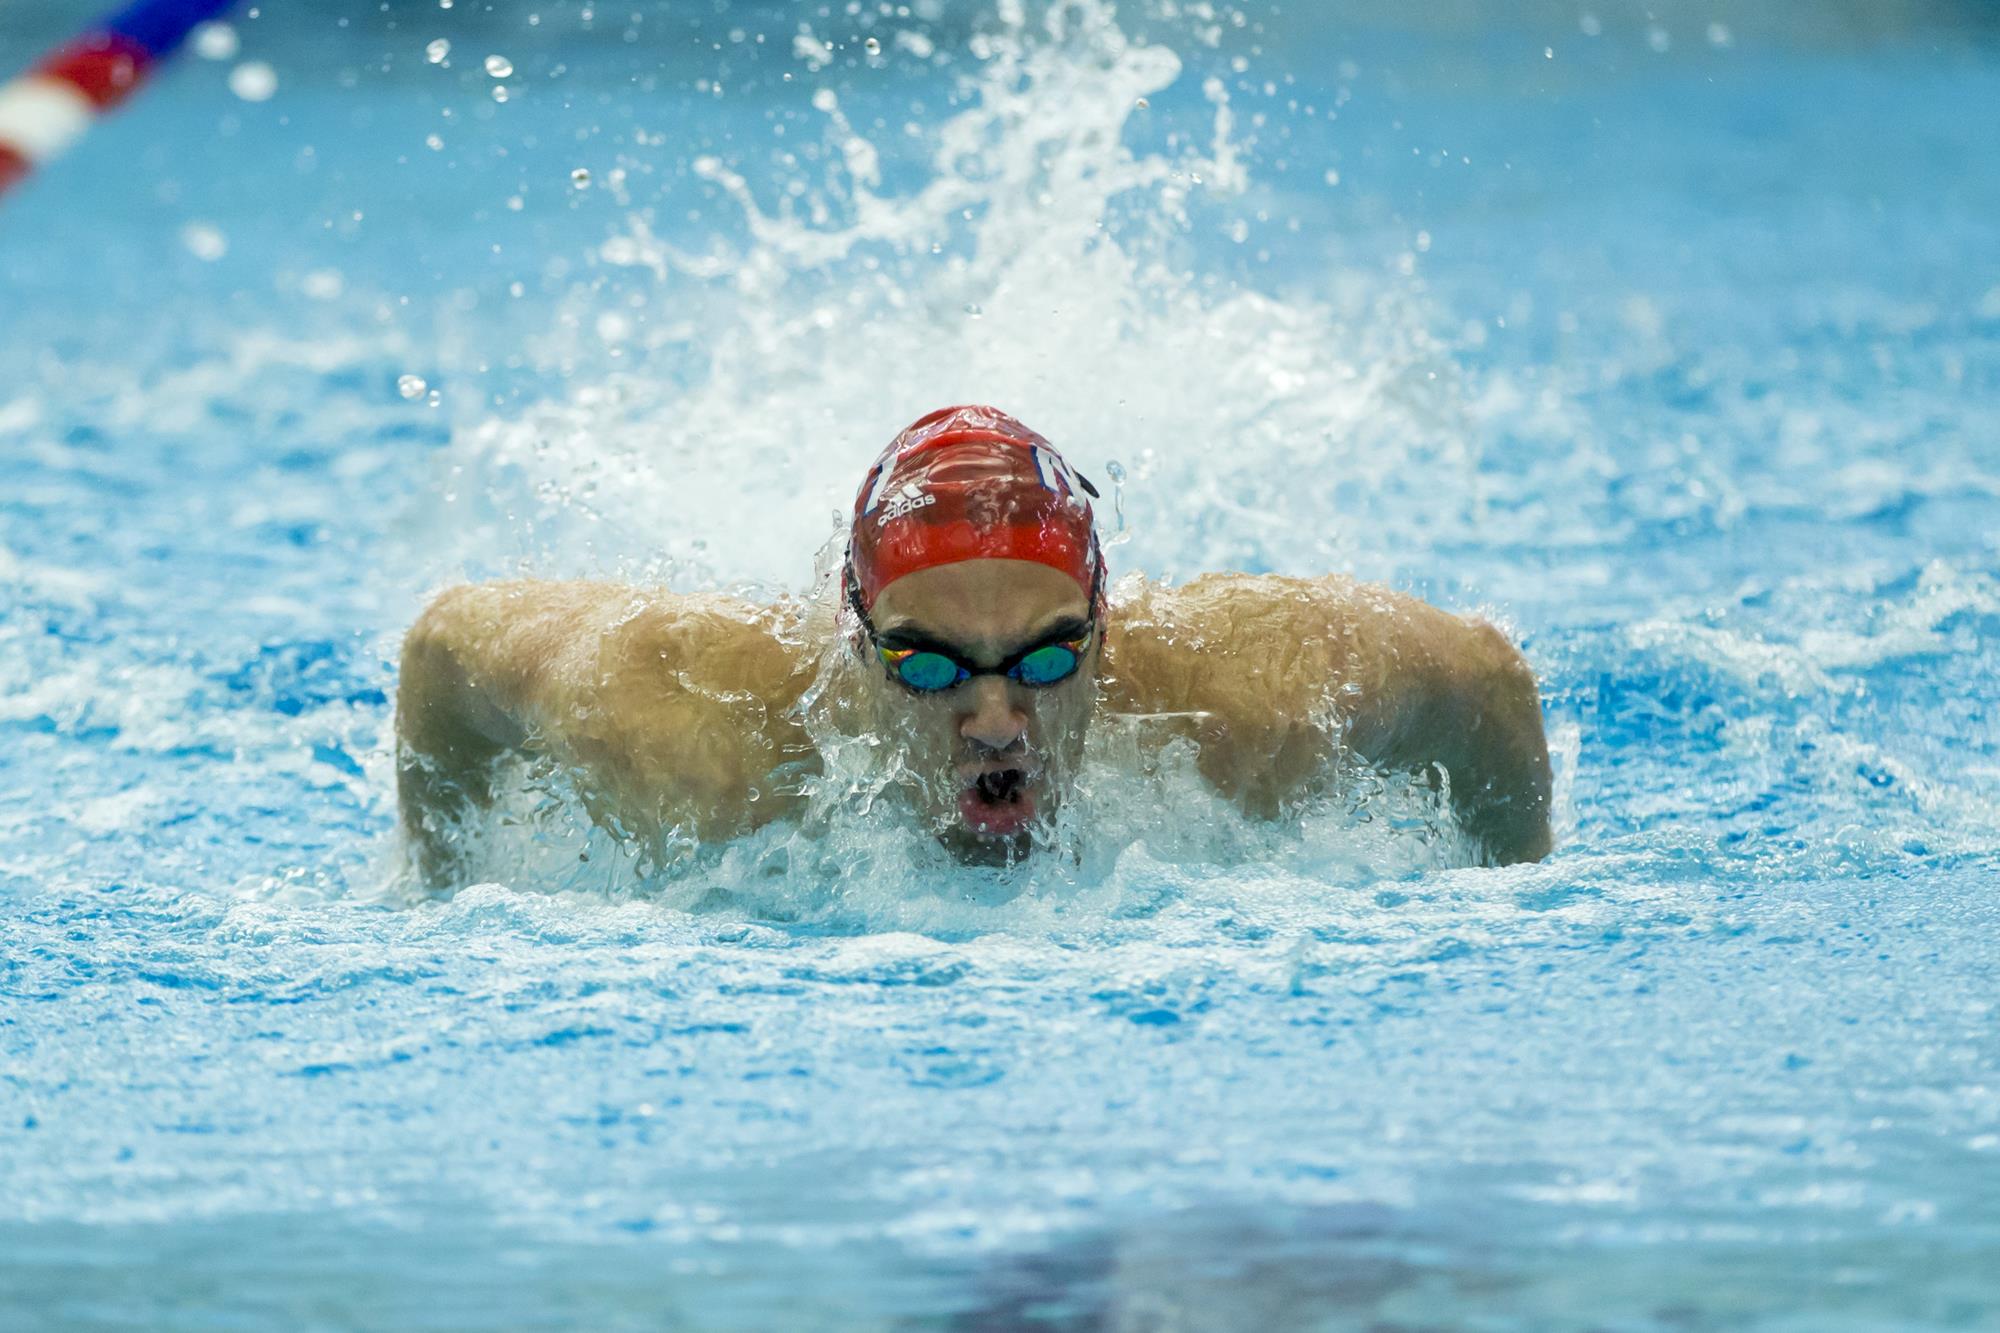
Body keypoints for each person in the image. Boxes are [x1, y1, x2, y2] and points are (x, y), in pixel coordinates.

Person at [397, 405, 1552, 882]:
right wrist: (437, 883)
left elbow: (1485, 678)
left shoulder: (1240, 711)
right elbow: (444, 647)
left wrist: (1518, 890)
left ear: (1104, 634)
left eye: (1046, 659)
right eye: (929, 664)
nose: (996, 721)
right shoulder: (691, 740)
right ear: (853, 642)